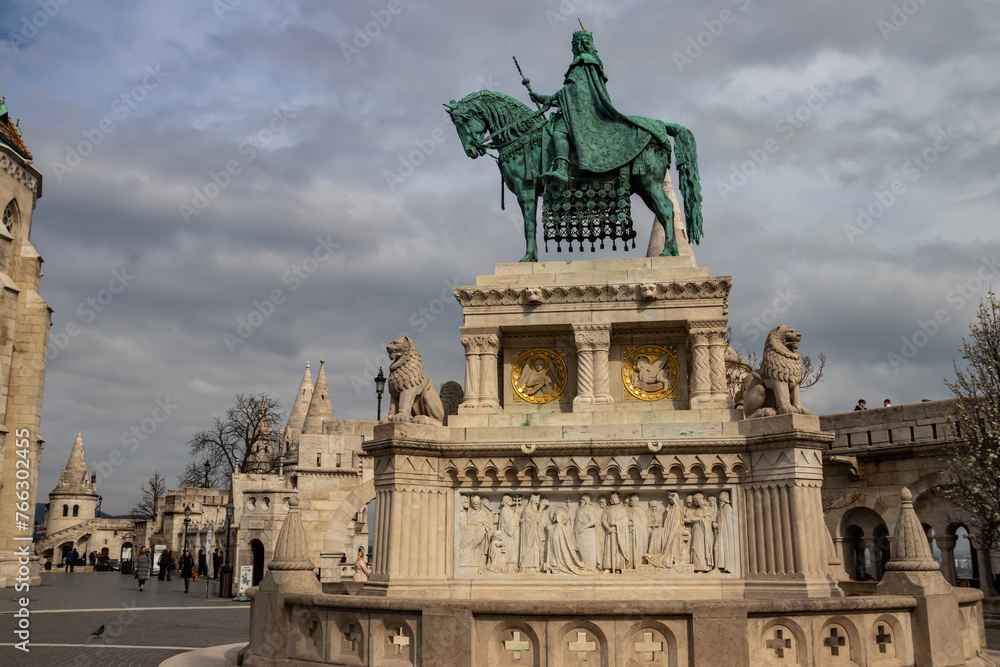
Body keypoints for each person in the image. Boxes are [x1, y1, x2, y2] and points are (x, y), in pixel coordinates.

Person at [529, 29, 648, 182]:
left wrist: (543, 98)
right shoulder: (591, 61)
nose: (572, 48)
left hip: (581, 112)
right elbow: (574, 91)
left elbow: (572, 90)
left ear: (580, 45)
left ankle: (562, 169)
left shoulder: (582, 61)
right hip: (585, 109)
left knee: (558, 132)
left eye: (573, 45)